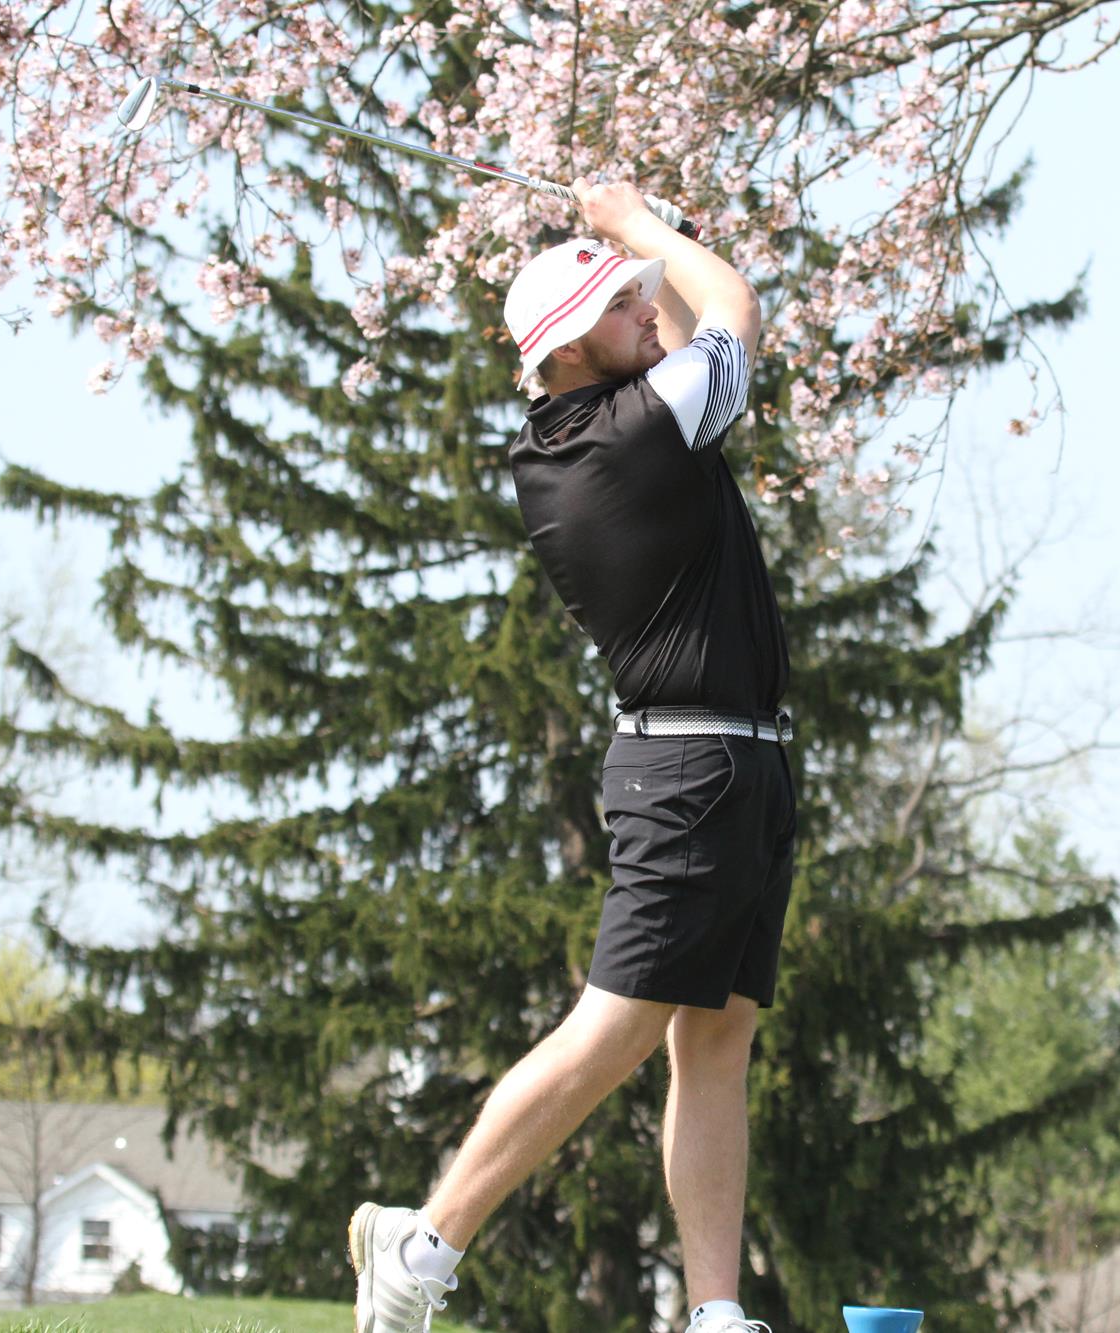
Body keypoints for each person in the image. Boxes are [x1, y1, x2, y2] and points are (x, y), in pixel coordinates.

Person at [348, 178, 796, 1333]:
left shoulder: (612, 425)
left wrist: (636, 253)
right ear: (563, 349)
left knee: (717, 1041)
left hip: (739, 766)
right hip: (692, 774)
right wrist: (638, 227)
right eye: (620, 307)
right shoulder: (627, 436)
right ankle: (421, 1246)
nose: (646, 311)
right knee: (616, 1027)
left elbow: (692, 339)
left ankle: (713, 1314)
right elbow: (734, 314)